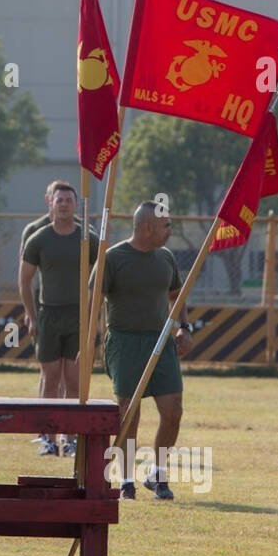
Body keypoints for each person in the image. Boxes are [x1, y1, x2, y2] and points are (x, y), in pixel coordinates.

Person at [99, 201, 193, 500]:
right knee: (129, 413)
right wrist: (88, 342)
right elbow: (92, 298)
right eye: (166, 226)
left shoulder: (165, 258)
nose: (170, 231)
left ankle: (158, 474)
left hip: (161, 340)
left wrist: (184, 327)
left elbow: (176, 294)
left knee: (173, 409)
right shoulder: (114, 257)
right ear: (147, 227)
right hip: (125, 342)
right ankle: (126, 479)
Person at [20, 179, 99, 454]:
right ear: (50, 203)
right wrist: (31, 315)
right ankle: (48, 438)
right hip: (48, 314)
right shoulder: (37, 238)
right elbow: (24, 280)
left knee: (74, 379)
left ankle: (71, 438)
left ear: (76, 204)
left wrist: (95, 316)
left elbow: (102, 278)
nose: (64, 204)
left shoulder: (88, 238)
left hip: (78, 316)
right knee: (50, 376)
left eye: (69, 200)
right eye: (59, 199)